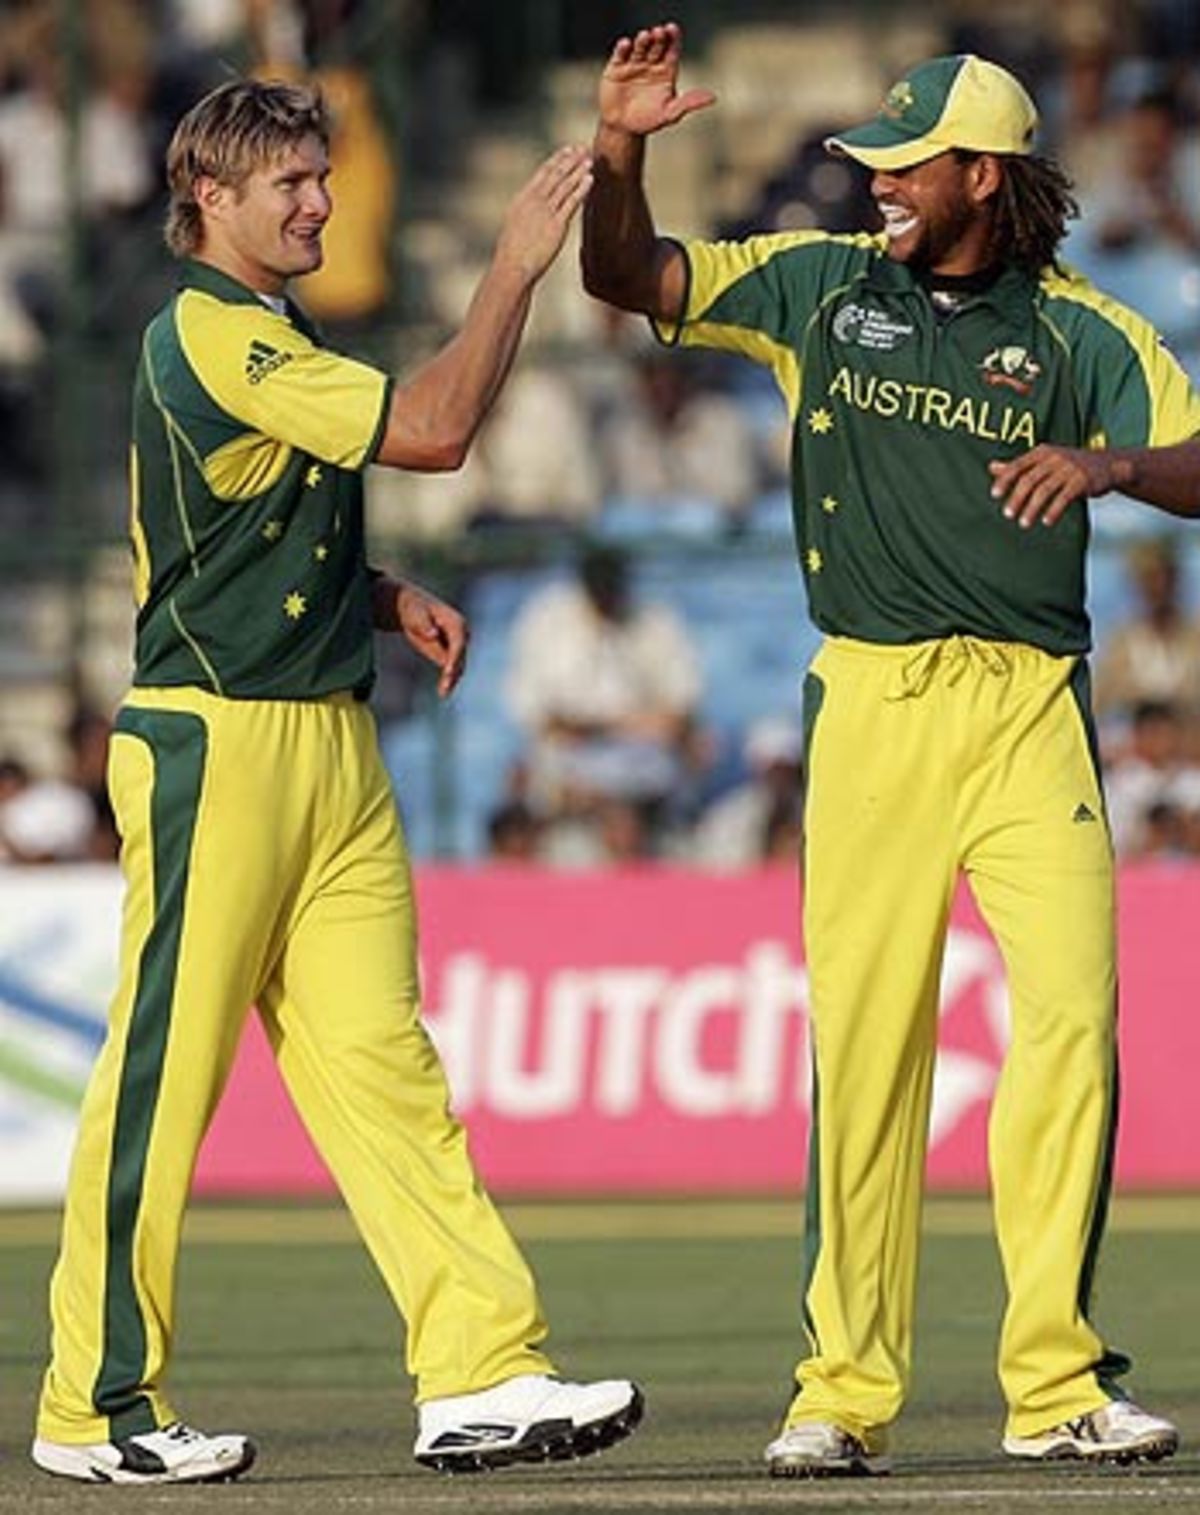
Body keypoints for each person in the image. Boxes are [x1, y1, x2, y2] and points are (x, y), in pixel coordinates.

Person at [582, 22, 1200, 1478]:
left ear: (984, 175)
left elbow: (1196, 457)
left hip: (1030, 710)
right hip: (870, 703)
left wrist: (1108, 462)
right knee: (866, 1054)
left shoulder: (1083, 334)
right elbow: (626, 275)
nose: (878, 182)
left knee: (1071, 1029)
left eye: (908, 163)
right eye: (876, 160)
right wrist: (619, 152)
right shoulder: (818, 286)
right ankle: (842, 1393)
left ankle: (1054, 1384)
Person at [31, 78, 643, 1486]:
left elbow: (236, 533)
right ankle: (93, 1405)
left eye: (322, 175)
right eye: (292, 185)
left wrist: (376, 593)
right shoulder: (211, 331)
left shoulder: (277, 329)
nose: (322, 203)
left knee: (387, 1073)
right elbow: (433, 431)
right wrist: (512, 266)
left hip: (327, 739)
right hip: (217, 746)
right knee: (162, 1084)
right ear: (210, 200)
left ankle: (481, 1373)